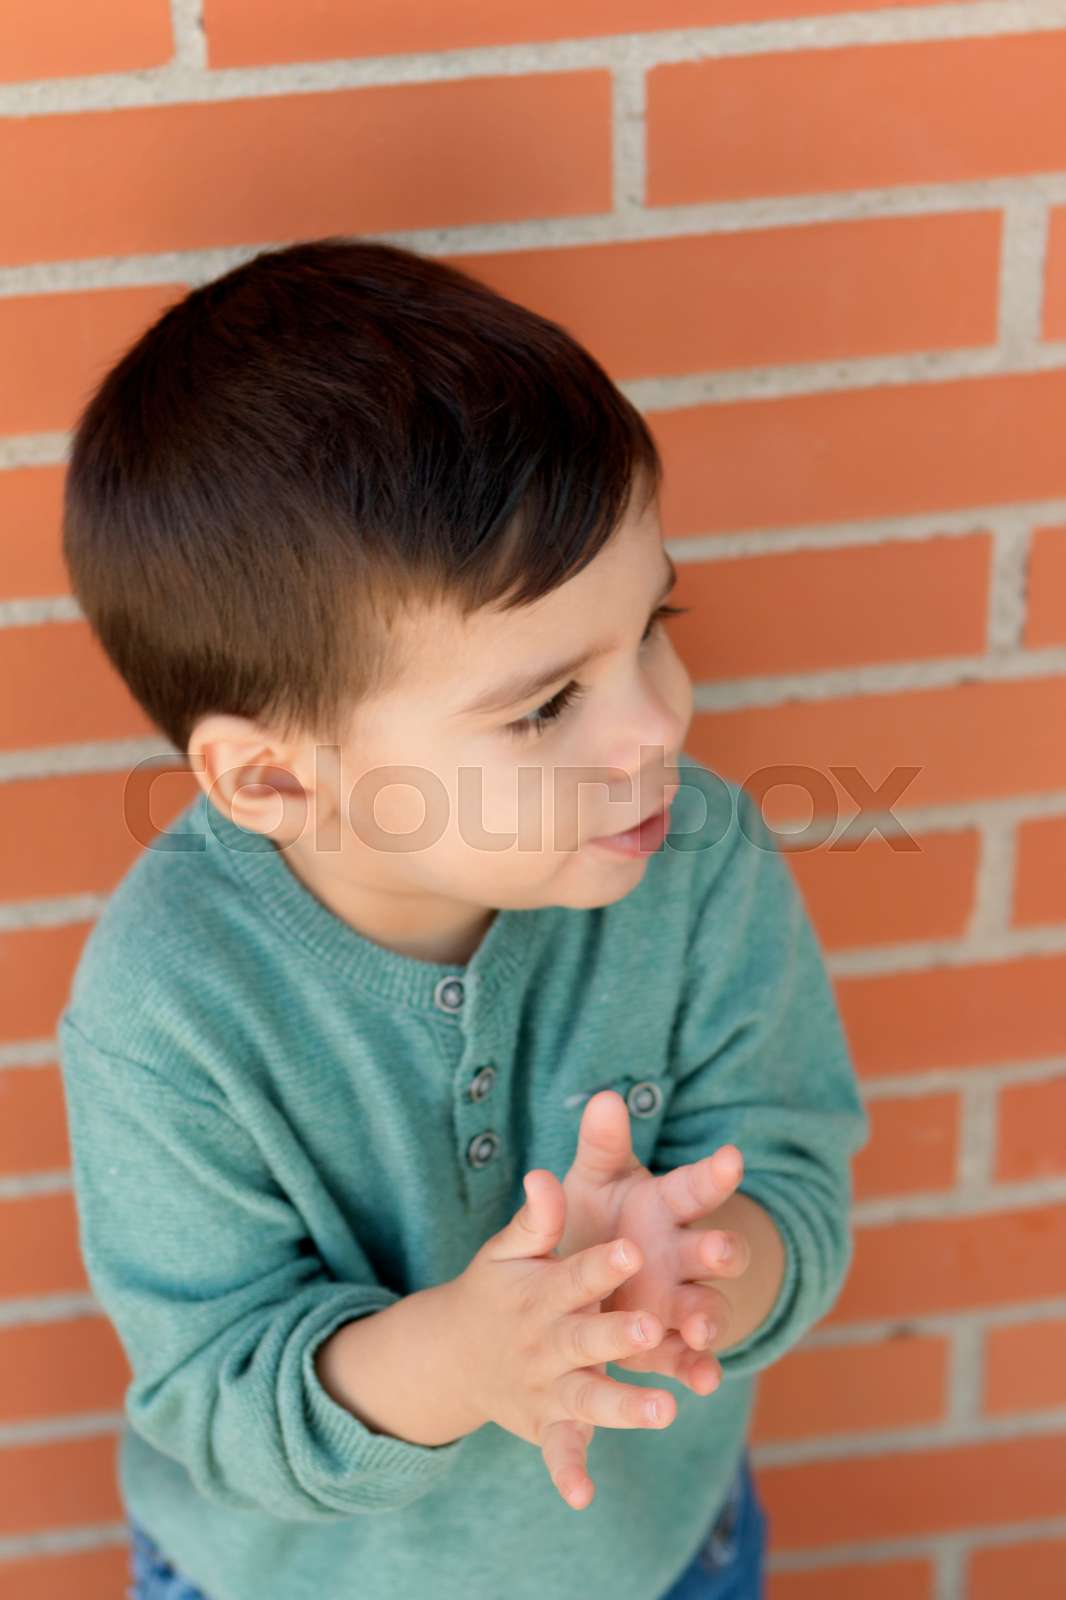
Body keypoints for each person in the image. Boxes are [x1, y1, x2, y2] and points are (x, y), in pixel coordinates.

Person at [57, 235, 870, 1600]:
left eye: (652, 624)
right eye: (547, 706)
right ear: (273, 777)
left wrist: (701, 1276)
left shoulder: (699, 859)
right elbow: (216, 1389)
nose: (658, 721)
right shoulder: (171, 1007)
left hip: (660, 1559)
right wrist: (473, 1355)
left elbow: (789, 1163)